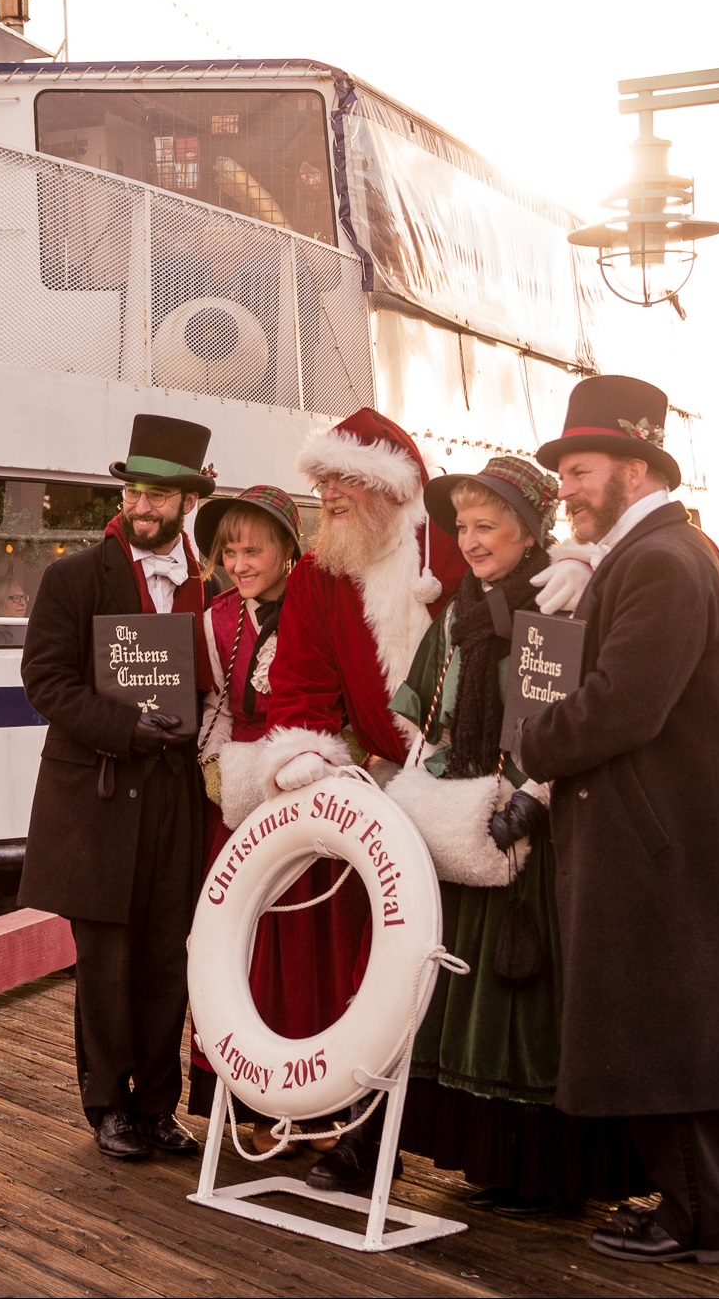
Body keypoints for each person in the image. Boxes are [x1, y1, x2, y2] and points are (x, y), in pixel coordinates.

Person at [513, 376, 719, 1266]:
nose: (565, 486)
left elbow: (623, 705)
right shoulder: (664, 555)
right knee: (687, 1039)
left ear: (634, 471)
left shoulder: (661, 564)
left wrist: (534, 744)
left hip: (655, 849)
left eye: (580, 469)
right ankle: (716, 1208)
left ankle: (701, 1219)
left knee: (667, 1038)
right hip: (662, 838)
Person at [385, 456, 649, 1215]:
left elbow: (575, 717)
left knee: (528, 999)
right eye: (462, 527)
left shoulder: (559, 605)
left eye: (485, 525)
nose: (469, 540)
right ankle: (495, 1161)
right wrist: (424, 782)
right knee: (471, 1001)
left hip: (538, 838)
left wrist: (532, 797)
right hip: (468, 828)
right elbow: (428, 719)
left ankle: (552, 1174)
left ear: (528, 532)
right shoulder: (459, 615)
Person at [215, 408, 468, 1192]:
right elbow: (298, 688)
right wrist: (304, 760)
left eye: (343, 482)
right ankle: (363, 1138)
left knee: (471, 979)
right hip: (375, 793)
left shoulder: (452, 559)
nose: (329, 497)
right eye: (321, 483)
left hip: (466, 782)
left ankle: (483, 1146)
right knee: (377, 965)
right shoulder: (324, 571)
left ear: (388, 487)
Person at [18, 414, 216, 1161]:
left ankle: (159, 1107)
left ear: (188, 501)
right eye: (134, 490)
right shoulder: (73, 576)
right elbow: (45, 681)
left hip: (178, 793)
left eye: (159, 496)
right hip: (101, 790)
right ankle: (108, 1104)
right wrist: (127, 728)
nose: (142, 506)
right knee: (106, 955)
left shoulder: (212, 585)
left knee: (168, 951)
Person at [183, 484, 303, 1137]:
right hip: (235, 799)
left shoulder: (316, 606)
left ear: (288, 547)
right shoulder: (217, 618)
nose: (240, 561)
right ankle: (245, 1097)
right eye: (230, 550)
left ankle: (306, 1098)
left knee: (293, 942)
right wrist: (215, 763)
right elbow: (217, 708)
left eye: (253, 548)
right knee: (238, 938)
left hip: (300, 787)